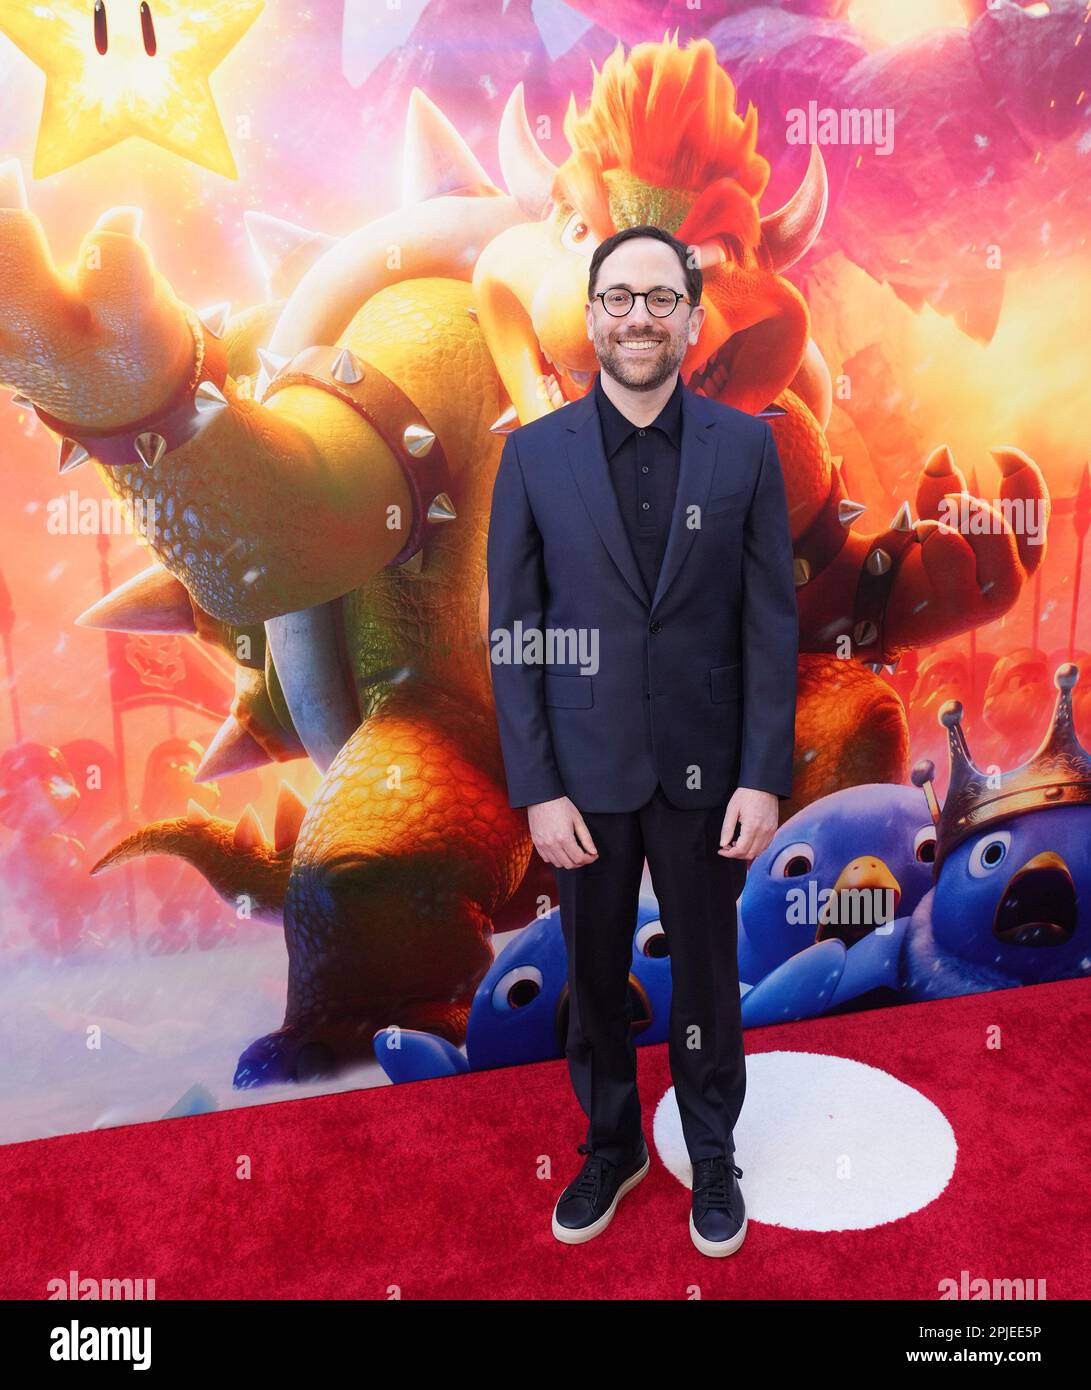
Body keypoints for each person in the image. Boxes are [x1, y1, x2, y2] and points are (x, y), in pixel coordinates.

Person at [486, 224, 798, 1256]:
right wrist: (535, 786)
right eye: (617, 298)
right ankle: (610, 1144)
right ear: (588, 319)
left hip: (710, 778)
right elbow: (514, 635)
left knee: (707, 970)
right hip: (581, 776)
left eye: (659, 299)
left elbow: (768, 622)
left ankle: (711, 1151)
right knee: (591, 964)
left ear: (691, 322)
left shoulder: (745, 448)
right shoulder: (530, 458)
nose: (637, 317)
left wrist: (760, 775)